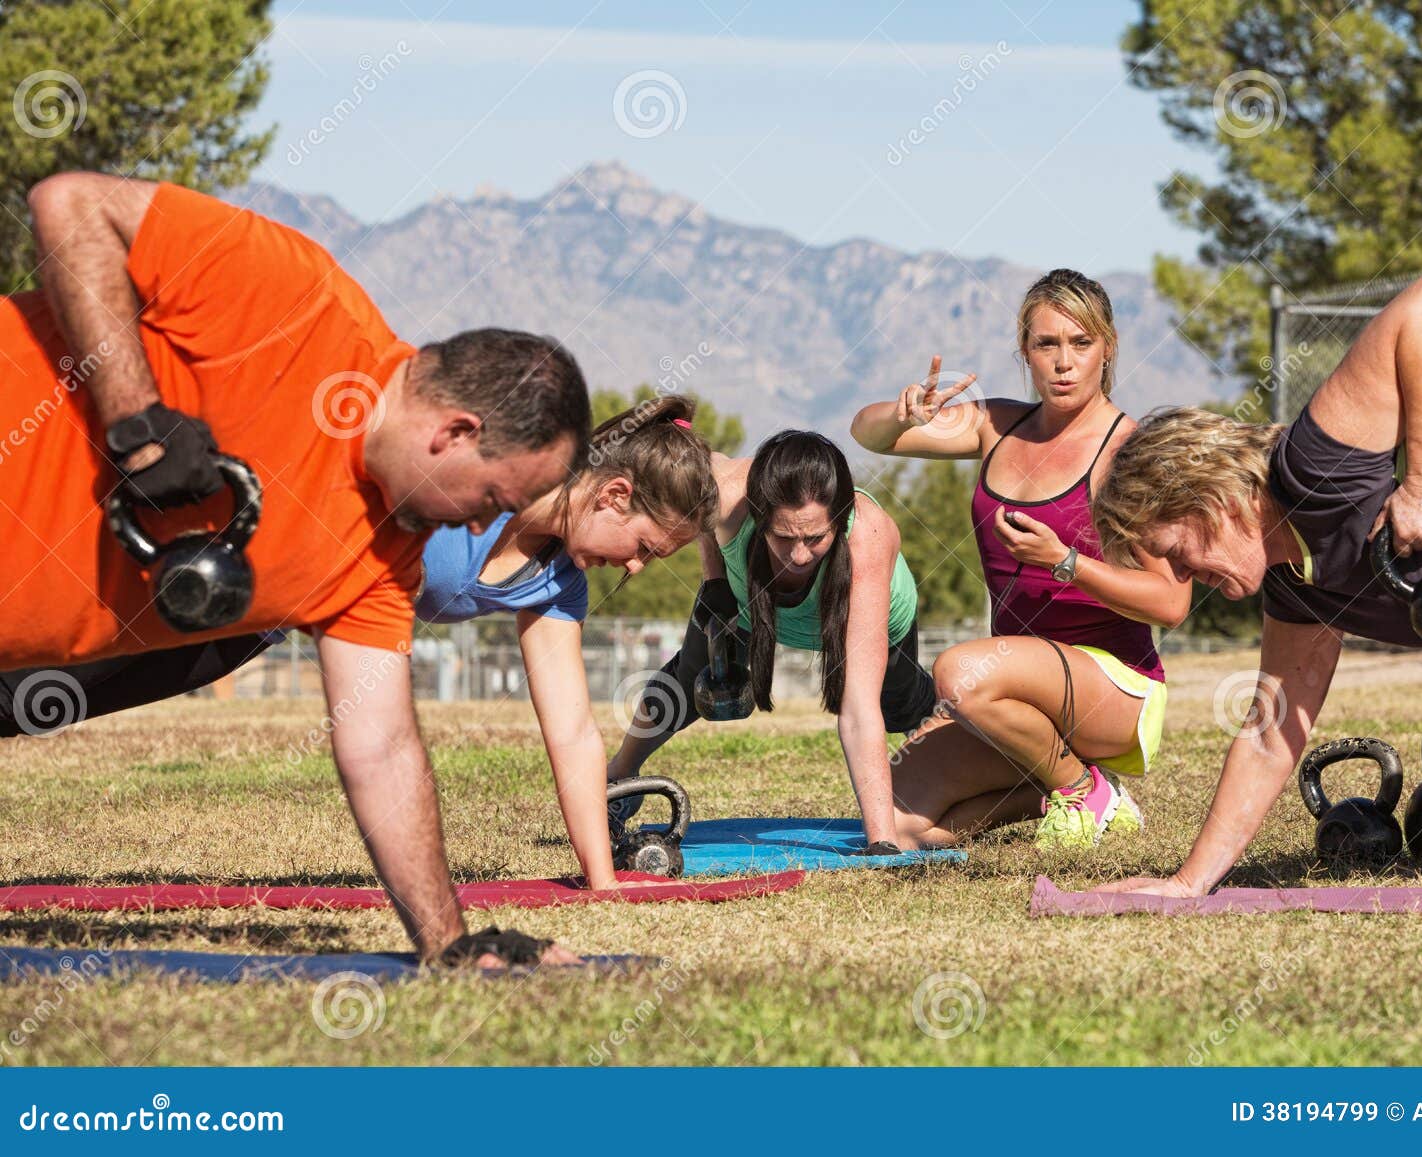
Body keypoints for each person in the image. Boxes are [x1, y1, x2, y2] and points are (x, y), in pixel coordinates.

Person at [6, 171, 592, 967]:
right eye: (493, 496)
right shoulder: (294, 298)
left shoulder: (387, 554)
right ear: (455, 430)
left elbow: (381, 745)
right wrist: (134, 418)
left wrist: (449, 943)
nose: (484, 524)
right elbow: (67, 201)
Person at [1, 396, 719, 893]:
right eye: (645, 549)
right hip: (236, 546)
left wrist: (601, 881)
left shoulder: (556, 584)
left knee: (48, 702)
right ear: (615, 494)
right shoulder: (488, 469)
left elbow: (573, 732)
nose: (634, 567)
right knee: (47, 653)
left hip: (267, 615)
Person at [1088, 271, 1422, 896]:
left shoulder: (1311, 469)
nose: (1180, 580)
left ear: (1204, 491)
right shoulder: (1298, 588)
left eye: (1173, 553)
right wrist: (1190, 883)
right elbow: (1271, 734)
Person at [851, 269, 1189, 850]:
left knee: (959, 672)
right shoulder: (996, 425)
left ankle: (1081, 789)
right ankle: (1075, 792)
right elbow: (869, 435)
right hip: (1013, 693)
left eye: (1081, 344)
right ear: (1024, 352)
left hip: (1114, 689)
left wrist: (1067, 562)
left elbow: (1172, 603)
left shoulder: (1132, 453)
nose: (1064, 362)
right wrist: (904, 415)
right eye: (1046, 344)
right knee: (895, 820)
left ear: (1107, 349)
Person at [607, 430, 938, 852]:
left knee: (903, 709)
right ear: (760, 516)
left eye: (815, 539)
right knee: (687, 682)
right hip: (752, 603)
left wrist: (882, 842)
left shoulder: (869, 536)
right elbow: (694, 464)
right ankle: (618, 779)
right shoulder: (726, 496)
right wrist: (714, 582)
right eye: (783, 537)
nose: (800, 557)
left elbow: (857, 708)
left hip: (869, 619)